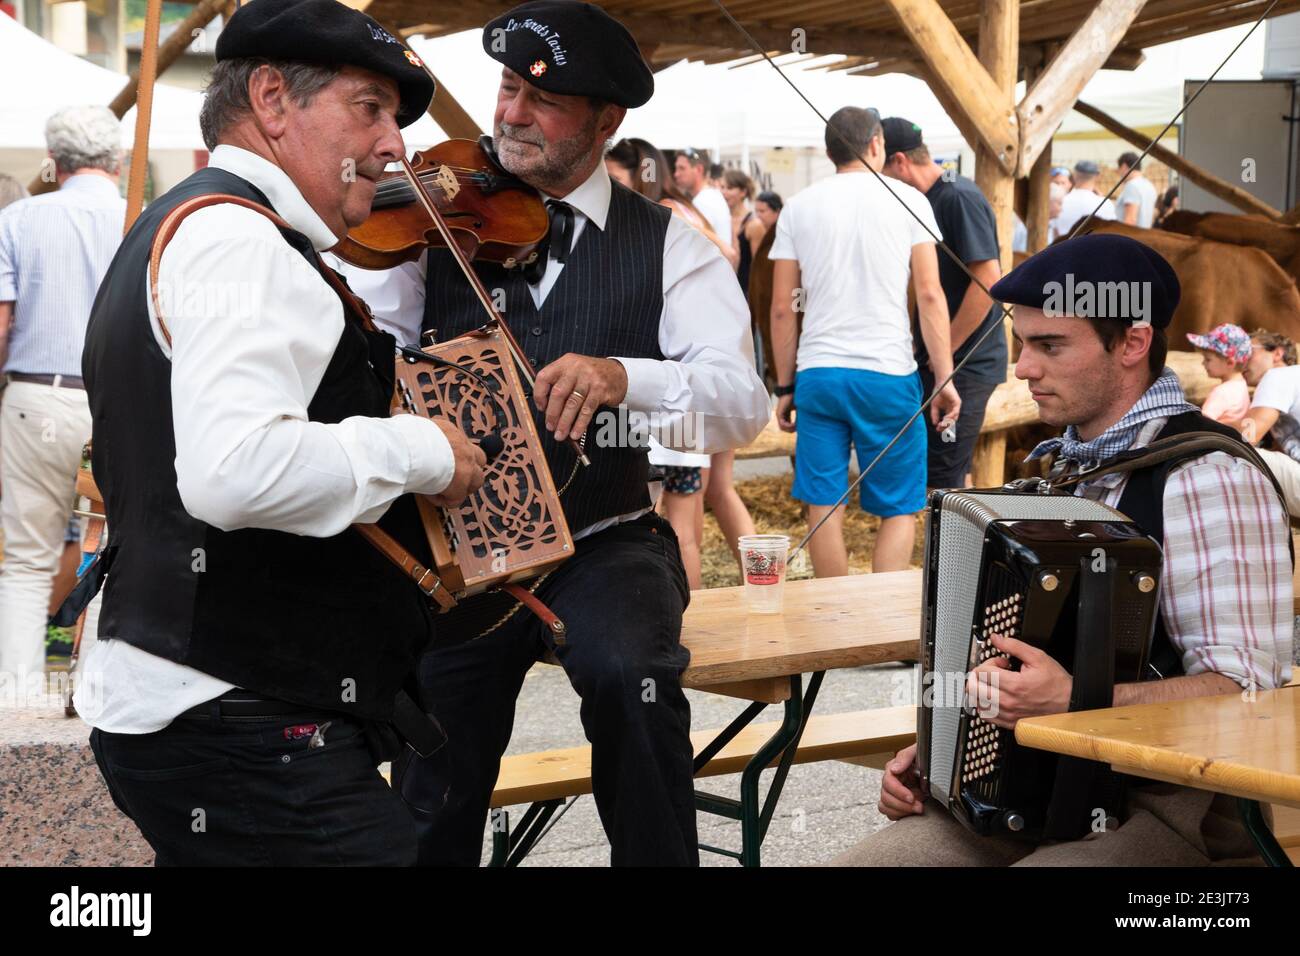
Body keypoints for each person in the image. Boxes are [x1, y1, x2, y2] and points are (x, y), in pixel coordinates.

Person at [337, 0, 769, 866]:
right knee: (436, 751)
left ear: (607, 122)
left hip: (605, 537)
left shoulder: (669, 248)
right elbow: (368, 361)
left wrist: (624, 379)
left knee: (632, 680)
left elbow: (738, 403)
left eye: (546, 100)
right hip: (463, 548)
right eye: (505, 88)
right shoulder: (429, 220)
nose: (510, 115)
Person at [76, 0, 488, 866]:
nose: (395, 146)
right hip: (238, 712)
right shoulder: (240, 241)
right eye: (368, 108)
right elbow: (234, 471)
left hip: (210, 701)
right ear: (271, 99)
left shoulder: (189, 220)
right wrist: (421, 452)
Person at [833, 234, 1292, 866]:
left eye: (1050, 345)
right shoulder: (1054, 471)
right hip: (1022, 794)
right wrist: (947, 746)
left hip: (1172, 813)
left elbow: (1250, 696)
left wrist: (1082, 701)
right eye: (1023, 343)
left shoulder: (1209, 475)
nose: (1023, 368)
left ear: (1132, 343)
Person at [768, 106, 960, 577]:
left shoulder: (799, 205)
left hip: (819, 372)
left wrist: (785, 384)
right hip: (888, 373)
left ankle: (834, 624)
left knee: (823, 500)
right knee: (898, 507)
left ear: (829, 150)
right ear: (877, 143)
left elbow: (780, 307)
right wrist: (945, 376)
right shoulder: (911, 200)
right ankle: (879, 622)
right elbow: (931, 295)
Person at [0, 106, 124, 696]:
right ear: (119, 160)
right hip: (118, 403)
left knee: (26, 560)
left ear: (55, 161)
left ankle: (17, 707)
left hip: (35, 397)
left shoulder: (19, 218)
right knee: (121, 550)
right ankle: (94, 696)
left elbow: (1, 325)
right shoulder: (142, 220)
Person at [881, 116, 1006, 490]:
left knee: (941, 478)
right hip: (945, 359)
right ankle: (961, 548)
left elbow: (988, 280)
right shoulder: (928, 199)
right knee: (946, 473)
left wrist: (943, 357)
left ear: (900, 161)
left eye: (883, 171)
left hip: (966, 362)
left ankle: (950, 550)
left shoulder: (957, 198)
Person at [1238, 329, 1300, 516]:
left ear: (1277, 353)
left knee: (1232, 455)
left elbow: (1246, 437)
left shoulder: (1276, 376)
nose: (1241, 360)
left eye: (1247, 351)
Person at [673, 147, 737, 268]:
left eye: (682, 168)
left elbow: (696, 247)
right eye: (676, 168)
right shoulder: (711, 196)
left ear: (698, 169)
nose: (676, 174)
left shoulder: (703, 201)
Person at [1186, 324, 1252, 424]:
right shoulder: (1241, 385)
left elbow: (1202, 425)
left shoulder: (1222, 392)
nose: (1203, 363)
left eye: (1208, 359)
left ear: (1230, 362)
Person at [1054, 159, 1116, 237]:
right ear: (1097, 176)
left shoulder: (1059, 202)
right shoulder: (1106, 204)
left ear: (1074, 175)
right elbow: (1111, 232)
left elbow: (1054, 232)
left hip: (1062, 247)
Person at [1116, 151, 1158, 228]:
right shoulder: (1149, 185)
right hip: (1144, 235)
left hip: (1130, 237)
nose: (1118, 173)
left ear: (1124, 167)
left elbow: (1130, 220)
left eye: (1119, 169)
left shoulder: (1132, 186)